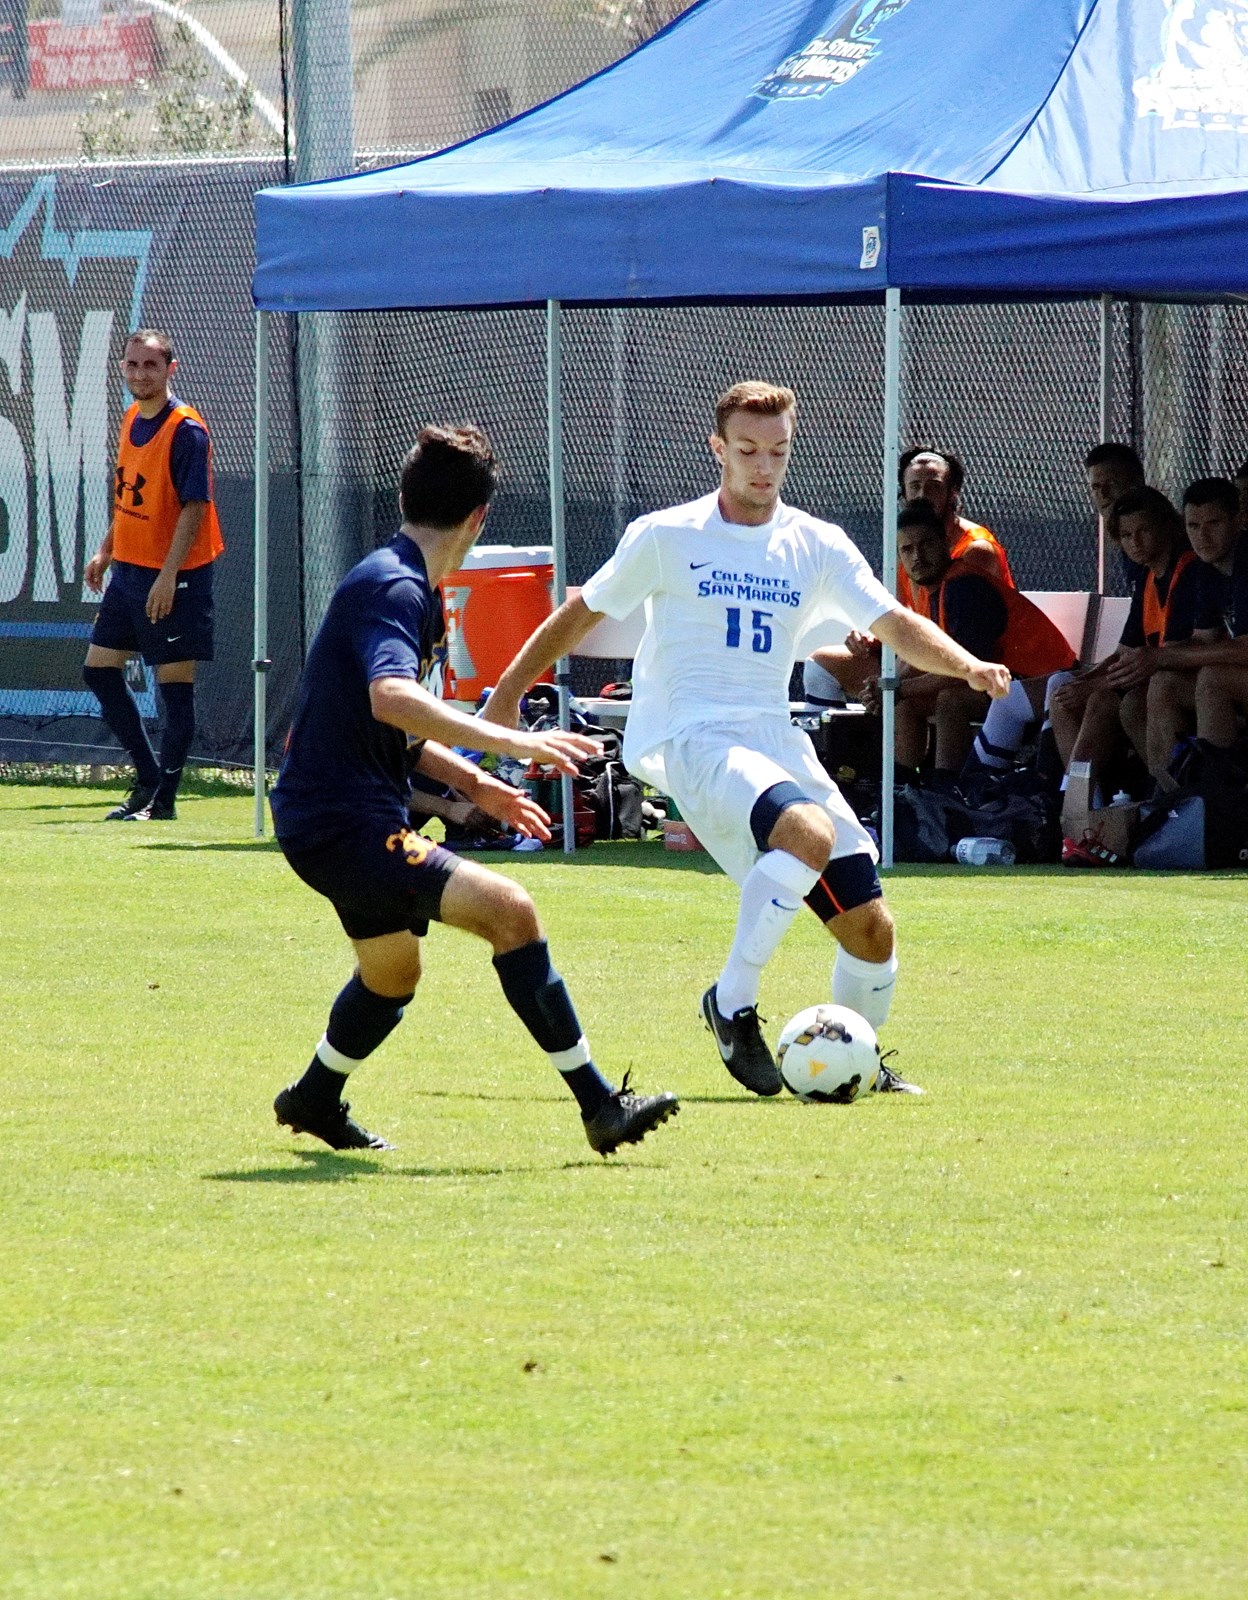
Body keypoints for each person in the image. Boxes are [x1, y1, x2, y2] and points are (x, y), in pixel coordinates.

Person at [483, 383, 1011, 1098]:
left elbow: (891, 621)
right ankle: (730, 1003)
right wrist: (508, 693)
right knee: (805, 832)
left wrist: (967, 664)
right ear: (719, 449)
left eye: (778, 452)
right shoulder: (667, 535)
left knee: (872, 933)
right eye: (748, 451)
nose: (764, 467)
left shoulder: (816, 543)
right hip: (693, 733)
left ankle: (856, 1061)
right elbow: (581, 613)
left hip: (772, 737)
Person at [270, 425, 678, 1157]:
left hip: (331, 820)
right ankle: (600, 1107)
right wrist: (514, 741)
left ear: (406, 497)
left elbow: (396, 728)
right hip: (342, 824)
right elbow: (391, 699)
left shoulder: (403, 583)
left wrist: (478, 784)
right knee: (511, 912)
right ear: (479, 518)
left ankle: (314, 1097)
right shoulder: (396, 586)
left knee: (391, 975)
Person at [82, 329, 224, 822]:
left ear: (170, 369)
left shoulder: (186, 430)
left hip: (175, 576)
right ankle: (147, 778)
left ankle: (164, 802)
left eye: (150, 365)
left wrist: (168, 576)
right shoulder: (130, 418)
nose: (140, 374)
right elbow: (129, 497)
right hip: (129, 571)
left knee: (174, 686)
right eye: (132, 364)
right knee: (98, 670)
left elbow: (194, 508)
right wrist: (106, 551)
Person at [854, 500, 1074, 785]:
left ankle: (948, 788)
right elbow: (924, 657)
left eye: (926, 544)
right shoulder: (937, 589)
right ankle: (900, 787)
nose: (917, 556)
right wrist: (887, 688)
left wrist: (897, 689)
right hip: (1007, 683)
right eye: (907, 549)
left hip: (1046, 683)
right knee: (909, 703)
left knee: (950, 699)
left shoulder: (964, 587)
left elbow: (964, 672)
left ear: (946, 544)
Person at [814, 446, 1013, 701]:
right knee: (821, 665)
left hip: (977, 665)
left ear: (952, 492)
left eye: (933, 487)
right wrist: (872, 637)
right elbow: (900, 615)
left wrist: (895, 685)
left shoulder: (975, 550)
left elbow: (957, 641)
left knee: (910, 694)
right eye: (915, 486)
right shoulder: (906, 543)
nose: (922, 495)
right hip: (922, 653)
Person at [1049, 486, 1200, 800]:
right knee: (1065, 693)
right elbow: (1125, 652)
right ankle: (1079, 802)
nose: (1135, 542)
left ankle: (1084, 802)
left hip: (1181, 680)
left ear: (1166, 526)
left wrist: (1094, 686)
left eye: (1143, 531)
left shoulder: (1187, 571)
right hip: (1152, 678)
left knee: (1106, 701)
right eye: (1127, 535)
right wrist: (1085, 680)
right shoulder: (1147, 577)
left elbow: (1165, 658)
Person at [1145, 477, 1248, 778]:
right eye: (1193, 526)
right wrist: (1155, 659)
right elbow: (1204, 639)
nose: (1202, 536)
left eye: (1213, 524)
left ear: (1238, 521)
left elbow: (1245, 648)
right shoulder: (1208, 568)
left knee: (1214, 679)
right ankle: (1168, 795)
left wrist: (1165, 657)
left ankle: (1211, 794)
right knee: (1163, 683)